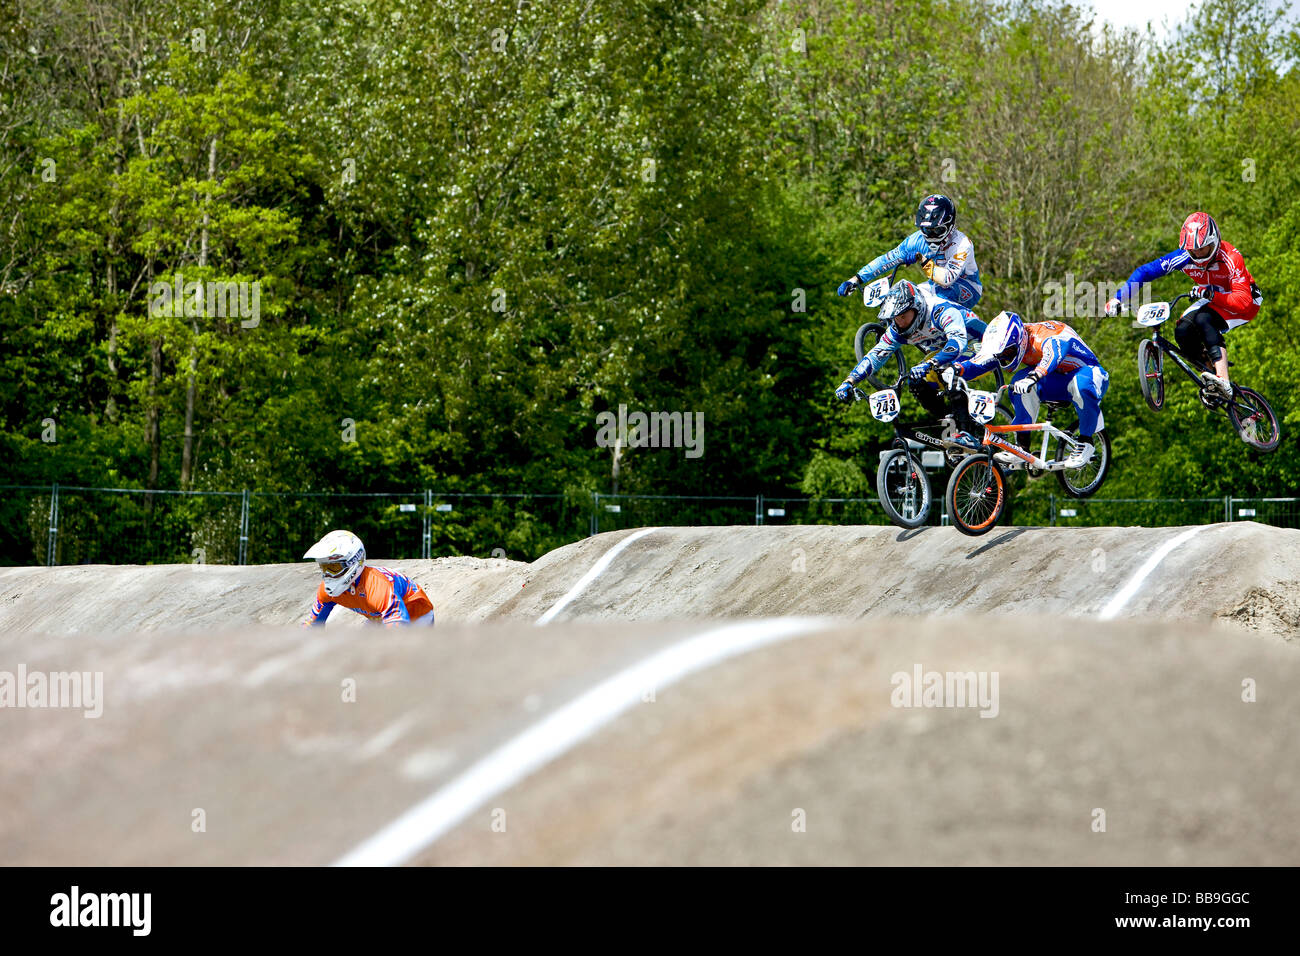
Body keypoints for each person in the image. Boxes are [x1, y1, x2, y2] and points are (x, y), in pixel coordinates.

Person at [1105, 211, 1261, 398]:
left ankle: (1224, 380)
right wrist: (1118, 298)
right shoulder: (1184, 257)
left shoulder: (1231, 258)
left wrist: (1210, 294)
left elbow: (1242, 303)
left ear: (1215, 241)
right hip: (1211, 297)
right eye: (1192, 250)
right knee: (1182, 331)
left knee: (1204, 319)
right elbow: (1145, 272)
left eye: (1203, 249)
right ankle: (1212, 376)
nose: (1198, 254)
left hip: (1245, 301)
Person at [835, 279, 984, 448]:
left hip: (978, 346)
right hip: (946, 352)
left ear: (916, 307)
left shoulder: (940, 310)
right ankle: (952, 421)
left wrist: (931, 363)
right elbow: (875, 355)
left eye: (903, 316)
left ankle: (968, 433)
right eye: (895, 318)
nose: (899, 322)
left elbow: (957, 345)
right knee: (915, 380)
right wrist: (850, 381)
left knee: (947, 370)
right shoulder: (898, 328)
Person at [958, 311, 1108, 470]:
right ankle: (1021, 448)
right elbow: (981, 361)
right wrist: (956, 369)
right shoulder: (1011, 340)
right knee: (1017, 383)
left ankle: (1086, 441)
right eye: (1002, 355)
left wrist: (1034, 376)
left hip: (1088, 373)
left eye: (1008, 353)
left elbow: (1054, 354)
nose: (1005, 358)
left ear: (1020, 341)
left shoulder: (1043, 335)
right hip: (1056, 380)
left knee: (1080, 385)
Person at [836, 194, 984, 312]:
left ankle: (958, 334)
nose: (931, 236)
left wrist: (923, 260)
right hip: (935, 287)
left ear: (950, 226)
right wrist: (856, 278)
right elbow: (887, 260)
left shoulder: (962, 244)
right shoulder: (916, 240)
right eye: (926, 230)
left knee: (932, 302)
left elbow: (946, 279)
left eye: (937, 230)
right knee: (903, 299)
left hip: (966, 287)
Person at [301, 529, 435, 627]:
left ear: (353, 562)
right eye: (324, 568)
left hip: (417, 614)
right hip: (379, 616)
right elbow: (312, 626)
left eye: (334, 567)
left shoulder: (376, 586)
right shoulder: (326, 589)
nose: (328, 574)